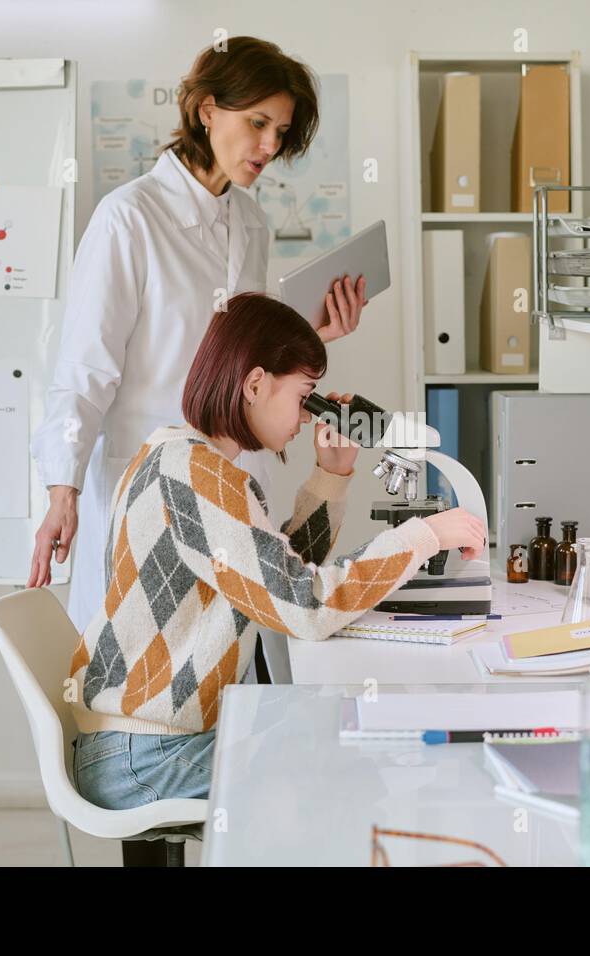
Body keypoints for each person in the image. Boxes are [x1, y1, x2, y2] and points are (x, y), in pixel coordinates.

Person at [67, 293, 487, 810]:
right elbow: (304, 605)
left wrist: (331, 474)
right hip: (145, 753)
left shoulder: (183, 457)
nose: (309, 416)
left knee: (345, 736)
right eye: (305, 395)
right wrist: (425, 535)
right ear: (255, 383)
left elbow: (273, 578)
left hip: (147, 740)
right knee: (348, 770)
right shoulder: (197, 474)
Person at [27, 37, 368, 639]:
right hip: (150, 484)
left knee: (228, 651)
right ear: (206, 110)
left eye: (282, 132)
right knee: (146, 662)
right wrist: (63, 489)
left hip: (232, 481)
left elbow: (236, 359)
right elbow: (86, 372)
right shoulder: (129, 217)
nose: (269, 146)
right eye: (258, 122)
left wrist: (314, 332)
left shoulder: (253, 223)